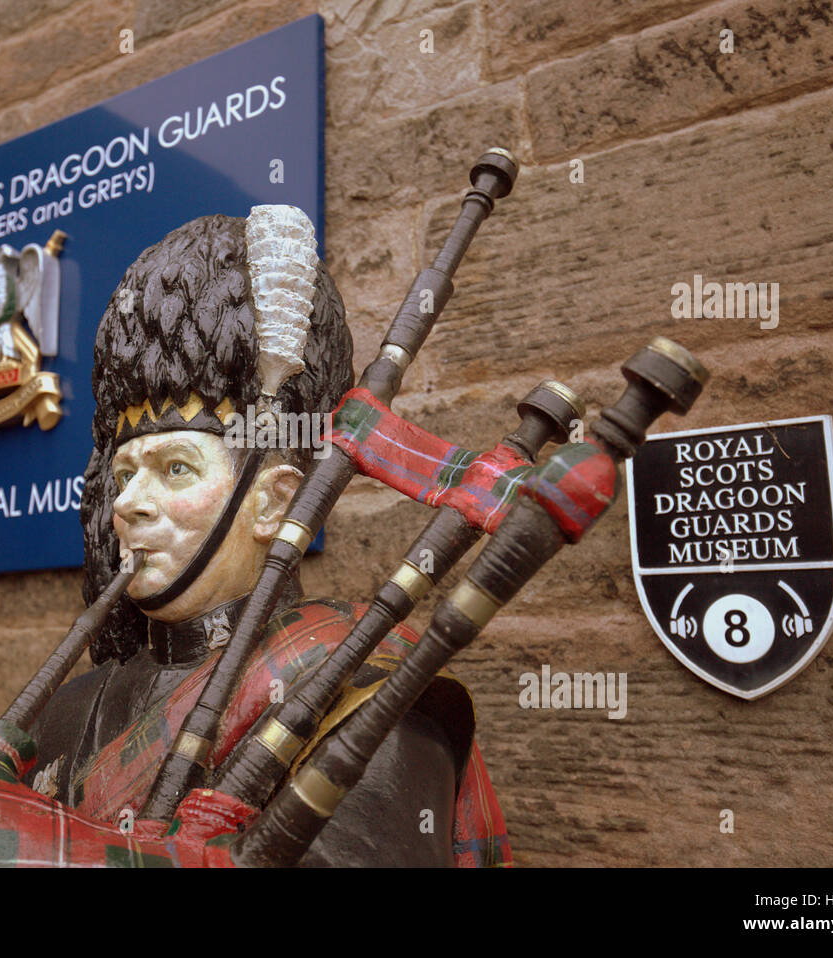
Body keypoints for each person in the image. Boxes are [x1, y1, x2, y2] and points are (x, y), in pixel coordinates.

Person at [26, 209, 512, 866]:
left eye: (175, 469)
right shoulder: (71, 709)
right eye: (125, 474)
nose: (130, 505)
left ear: (275, 502)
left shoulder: (366, 707)